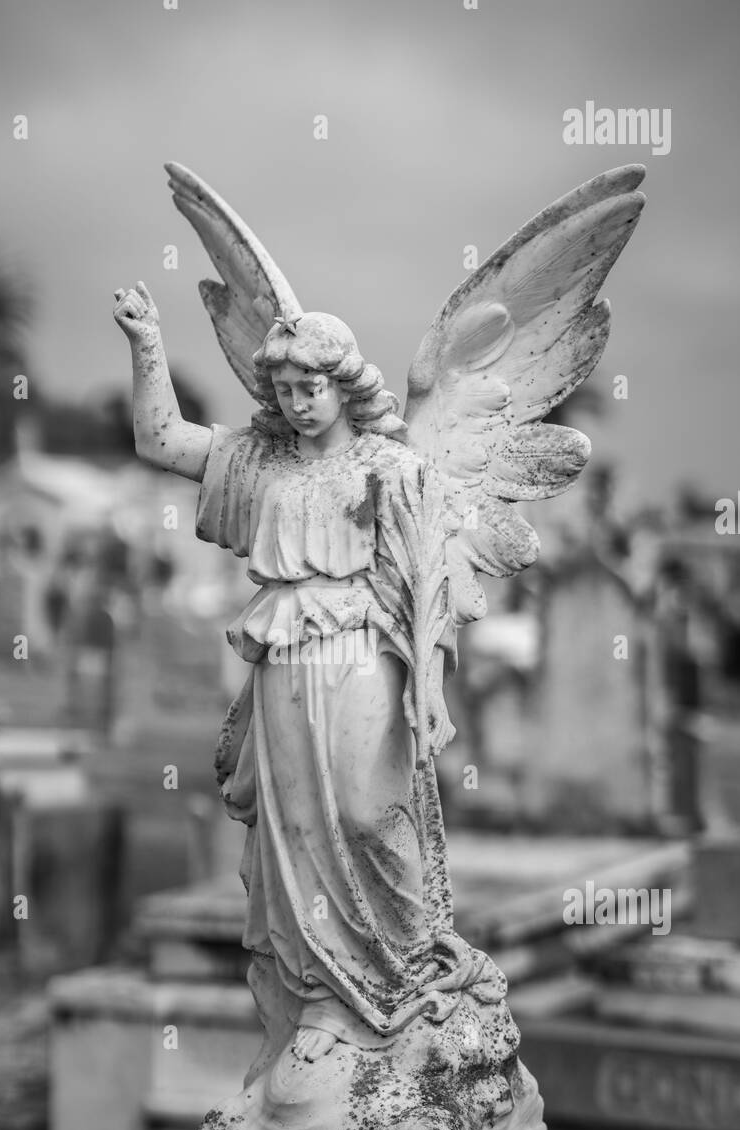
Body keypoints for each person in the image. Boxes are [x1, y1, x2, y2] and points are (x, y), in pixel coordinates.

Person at [113, 282, 481, 1068]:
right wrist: (147, 346)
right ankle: (321, 1006)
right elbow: (161, 441)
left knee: (363, 813)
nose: (297, 403)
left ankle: (408, 987)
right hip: (283, 662)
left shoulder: (390, 466)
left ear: (343, 385)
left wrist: (428, 689)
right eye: (282, 390)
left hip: (360, 655)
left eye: (309, 388)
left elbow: (426, 585)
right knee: (294, 834)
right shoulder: (261, 462)